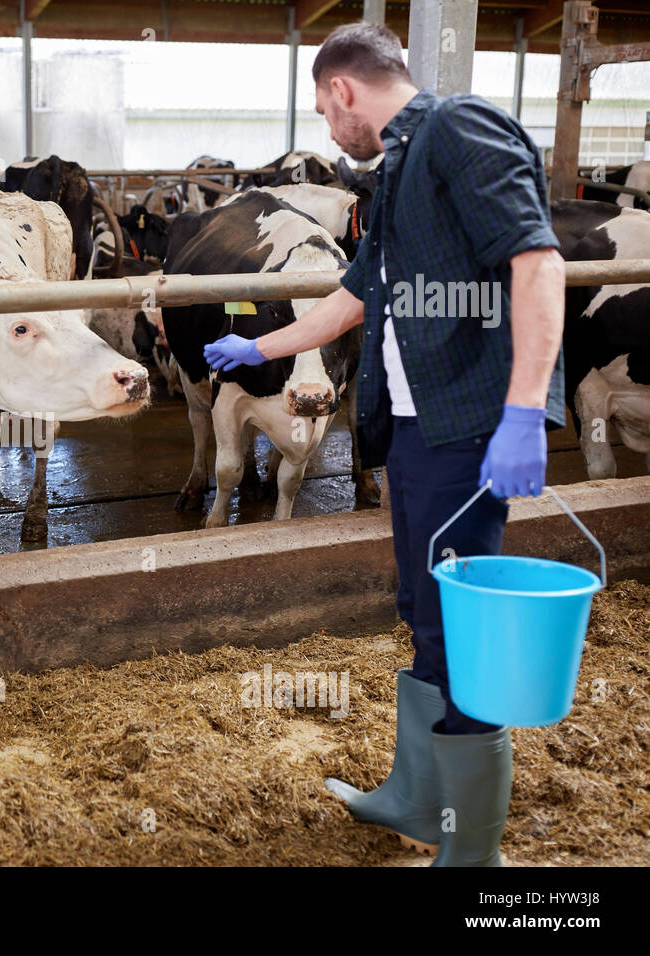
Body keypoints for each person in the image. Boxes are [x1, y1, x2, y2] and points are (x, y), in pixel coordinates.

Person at [202, 21, 566, 867]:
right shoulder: (400, 167)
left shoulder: (460, 129)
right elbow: (353, 298)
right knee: (422, 611)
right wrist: (261, 349)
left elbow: (539, 264)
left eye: (325, 115)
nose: (330, 133)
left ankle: (472, 856)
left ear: (341, 91)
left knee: (462, 632)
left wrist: (521, 413)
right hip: (412, 428)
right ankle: (414, 798)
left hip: (466, 428)